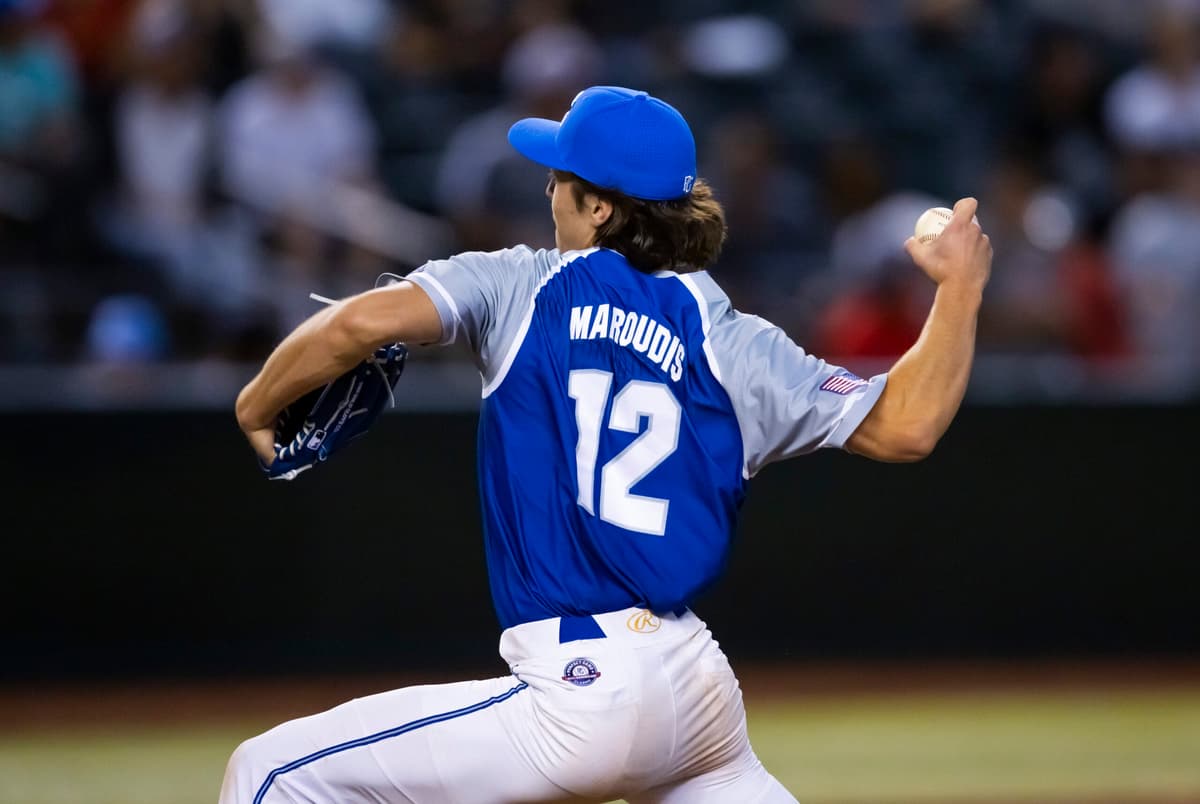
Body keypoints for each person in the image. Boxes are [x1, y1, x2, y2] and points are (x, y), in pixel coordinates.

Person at [225, 85, 992, 803]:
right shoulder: (733, 339)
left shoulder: (520, 286)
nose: (547, 190)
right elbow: (906, 425)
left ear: (595, 207)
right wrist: (957, 289)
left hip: (576, 691)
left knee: (268, 773)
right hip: (695, 691)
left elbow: (359, 323)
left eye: (559, 178)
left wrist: (257, 404)